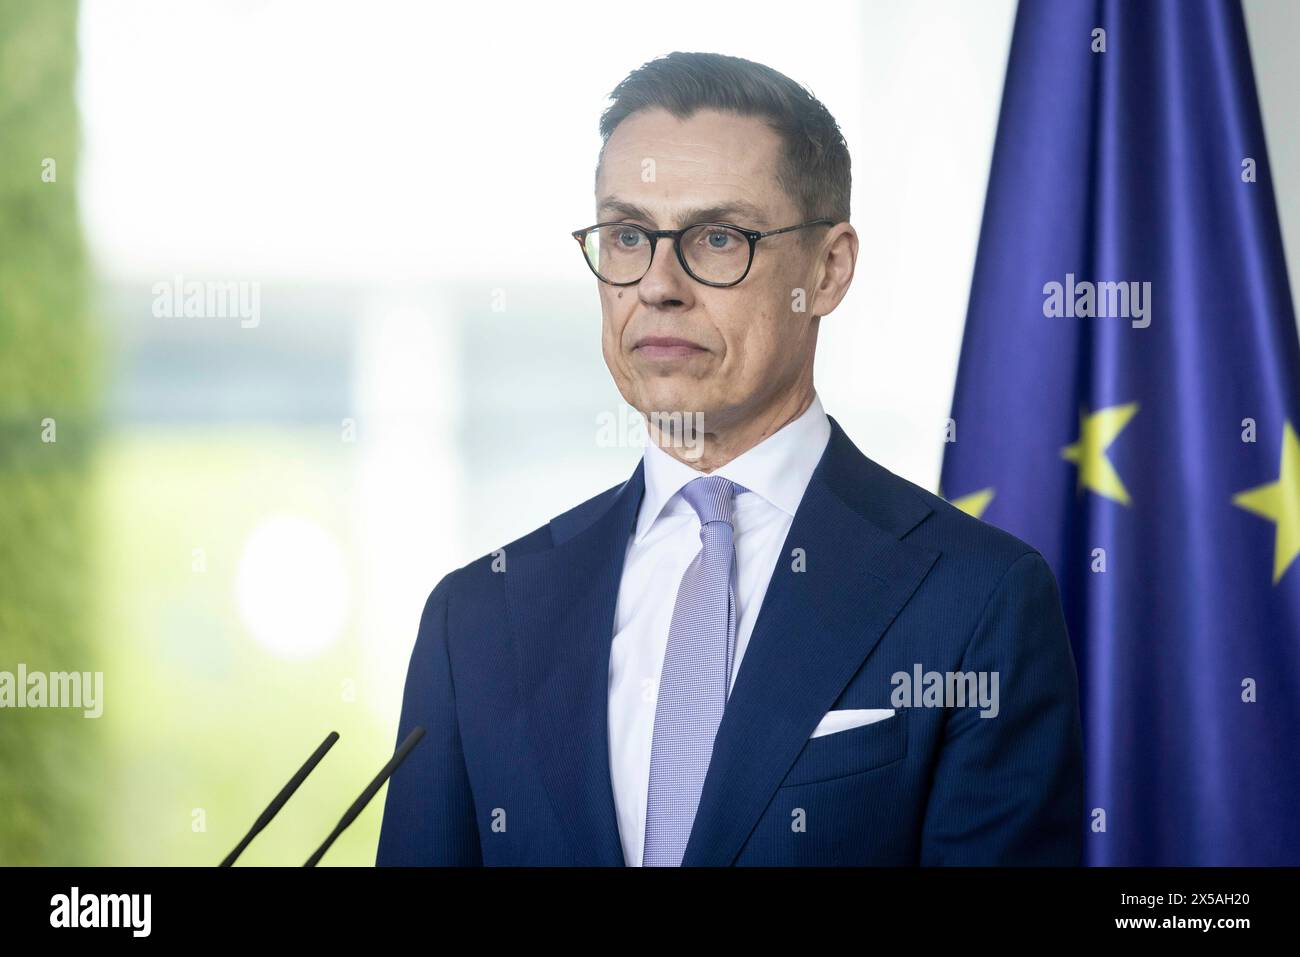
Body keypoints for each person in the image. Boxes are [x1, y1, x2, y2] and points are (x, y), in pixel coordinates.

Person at [376, 51, 1083, 866]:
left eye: (717, 238)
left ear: (828, 268)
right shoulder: (477, 619)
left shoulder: (977, 598)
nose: (659, 284)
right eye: (628, 235)